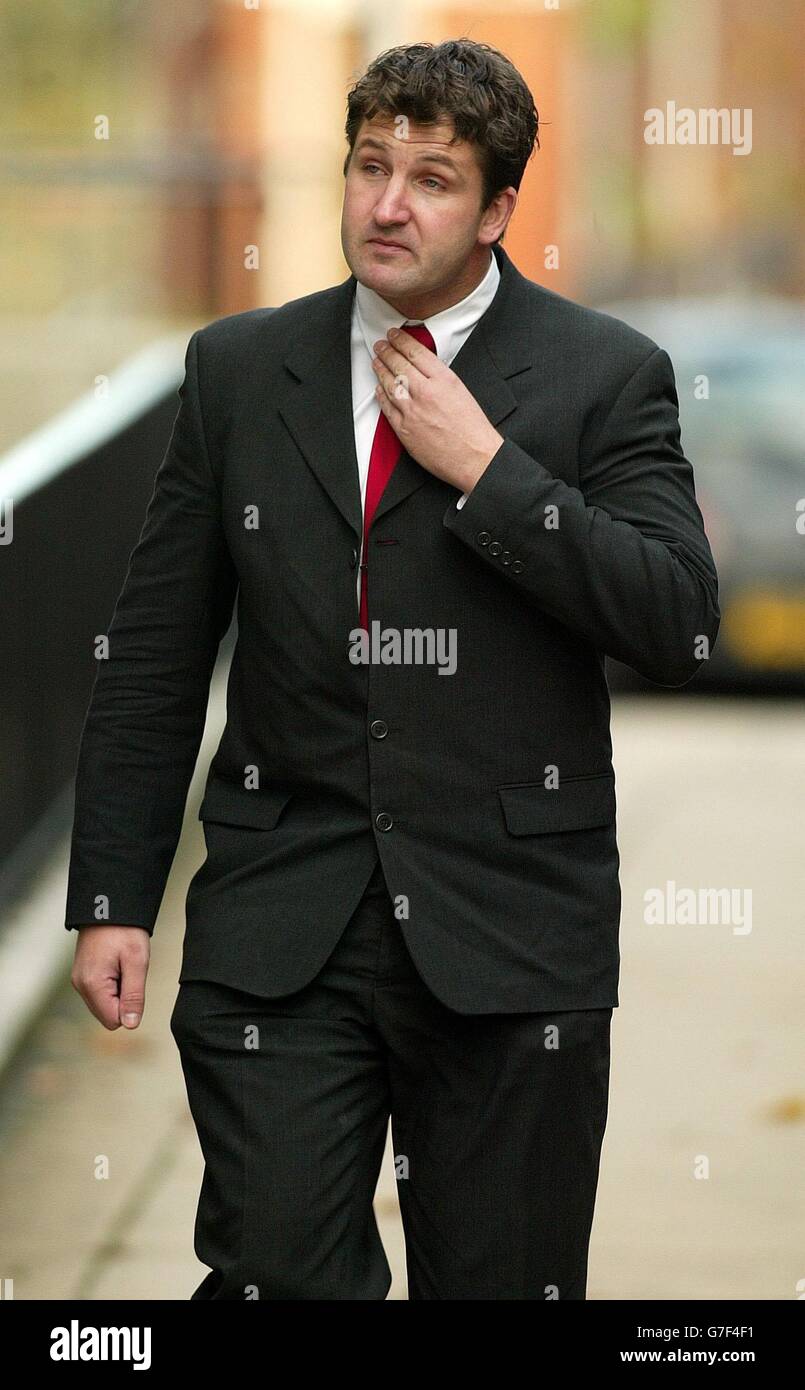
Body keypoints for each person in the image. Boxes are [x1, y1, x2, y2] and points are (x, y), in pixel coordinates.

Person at [65, 38, 720, 1299]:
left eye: (431, 179)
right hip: (282, 926)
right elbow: (153, 652)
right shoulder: (239, 370)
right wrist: (113, 893)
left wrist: (491, 471)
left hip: (510, 936)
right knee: (276, 1272)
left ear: (497, 211)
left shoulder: (603, 375)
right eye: (370, 166)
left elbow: (677, 621)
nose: (387, 203)